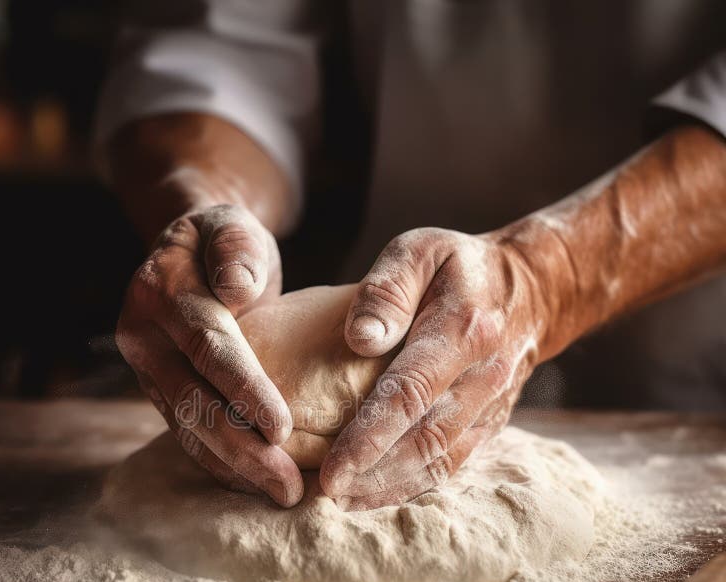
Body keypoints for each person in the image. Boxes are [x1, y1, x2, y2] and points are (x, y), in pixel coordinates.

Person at [96, 0, 726, 510]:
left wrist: (545, 274)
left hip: (695, 379)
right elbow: (220, 47)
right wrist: (208, 216)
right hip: (396, 338)